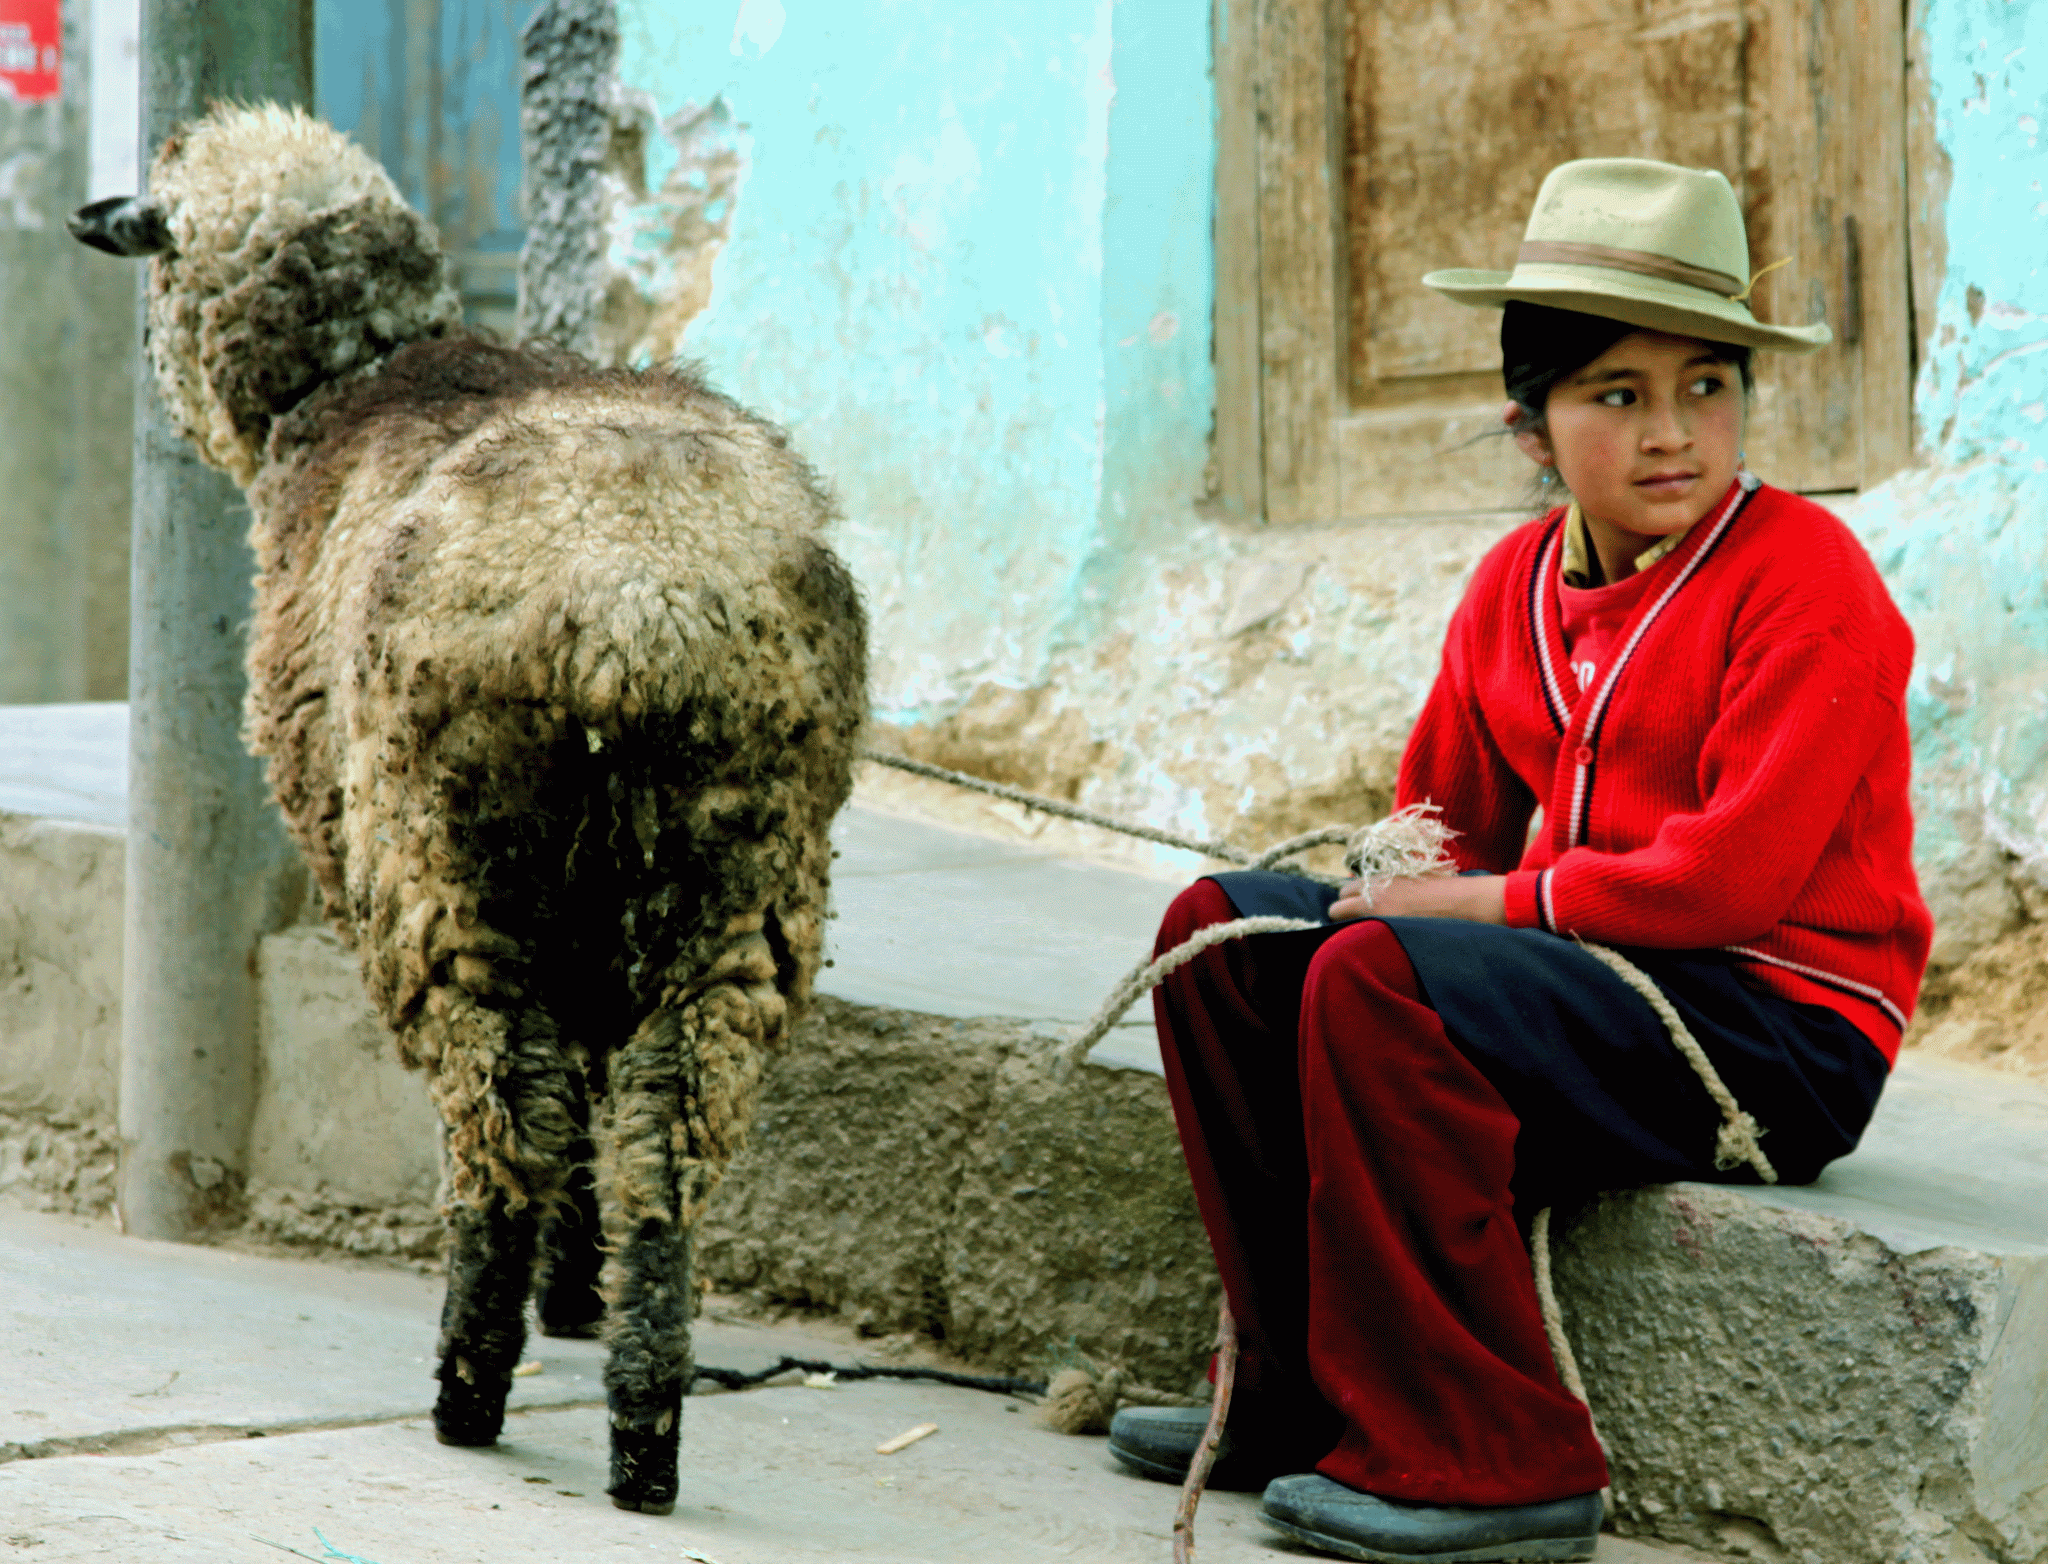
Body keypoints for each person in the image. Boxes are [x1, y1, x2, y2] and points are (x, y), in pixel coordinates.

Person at [1107, 158, 1932, 1562]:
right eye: (1617, 395)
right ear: (1532, 427)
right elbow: (1446, 826)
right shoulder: (1512, 589)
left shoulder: (1808, 577)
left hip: (1772, 1029)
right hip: (1583, 984)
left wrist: (1475, 908)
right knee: (1230, 936)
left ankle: (1488, 1453)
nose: (1674, 432)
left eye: (1709, 385)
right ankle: (1303, 1392)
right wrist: (1392, 879)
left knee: (1382, 981)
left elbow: (1728, 884)